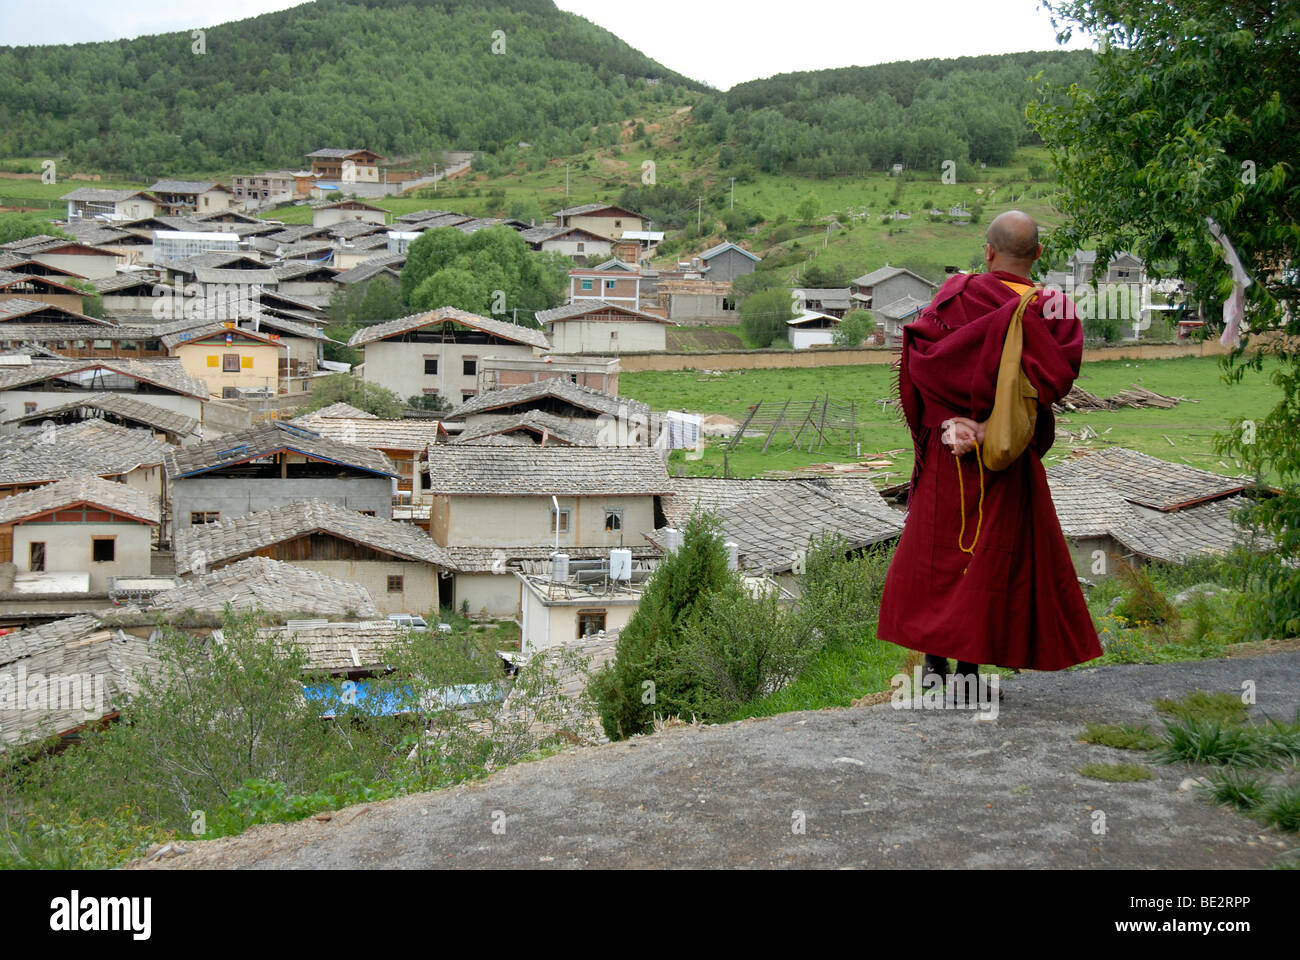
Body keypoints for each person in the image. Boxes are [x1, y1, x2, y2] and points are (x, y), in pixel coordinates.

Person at [877, 210, 1102, 692]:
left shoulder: (958, 294)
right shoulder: (1054, 307)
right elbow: (1055, 378)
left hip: (950, 451)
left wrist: (954, 421)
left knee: (939, 556)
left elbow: (925, 362)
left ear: (988, 252)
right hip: (1008, 451)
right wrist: (993, 421)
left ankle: (934, 669)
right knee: (992, 559)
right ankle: (970, 673)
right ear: (1038, 255)